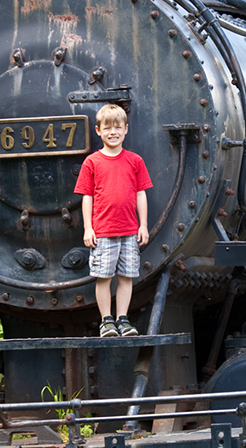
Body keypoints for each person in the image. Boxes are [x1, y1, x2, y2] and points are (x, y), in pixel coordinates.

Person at [74, 104, 153, 337]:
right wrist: (88, 228)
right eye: (107, 128)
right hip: (103, 231)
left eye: (117, 127)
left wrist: (144, 225)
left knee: (126, 276)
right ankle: (106, 321)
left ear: (126, 129)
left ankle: (123, 320)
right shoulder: (92, 162)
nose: (113, 132)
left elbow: (141, 194)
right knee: (103, 277)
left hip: (129, 230)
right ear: (98, 131)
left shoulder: (135, 161)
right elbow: (86, 197)